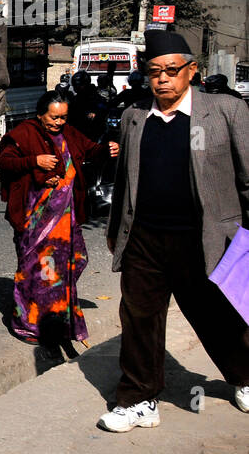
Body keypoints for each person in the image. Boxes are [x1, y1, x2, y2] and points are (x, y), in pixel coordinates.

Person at [100, 30, 249, 431]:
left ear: (191, 71)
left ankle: (244, 376)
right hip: (144, 240)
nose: (163, 79)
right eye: (154, 72)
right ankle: (138, 399)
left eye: (171, 70)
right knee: (139, 319)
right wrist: (116, 231)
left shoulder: (224, 112)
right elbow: (125, 181)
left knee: (217, 317)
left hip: (203, 240)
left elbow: (248, 177)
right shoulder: (134, 118)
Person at [0, 90, 119, 347]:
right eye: (53, 117)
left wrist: (107, 149)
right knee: (35, 273)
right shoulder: (23, 134)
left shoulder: (69, 134)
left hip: (64, 223)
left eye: (63, 117)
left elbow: (91, 151)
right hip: (34, 222)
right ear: (40, 115)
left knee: (69, 266)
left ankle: (56, 322)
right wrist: (35, 161)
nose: (58, 122)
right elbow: (4, 164)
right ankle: (28, 326)